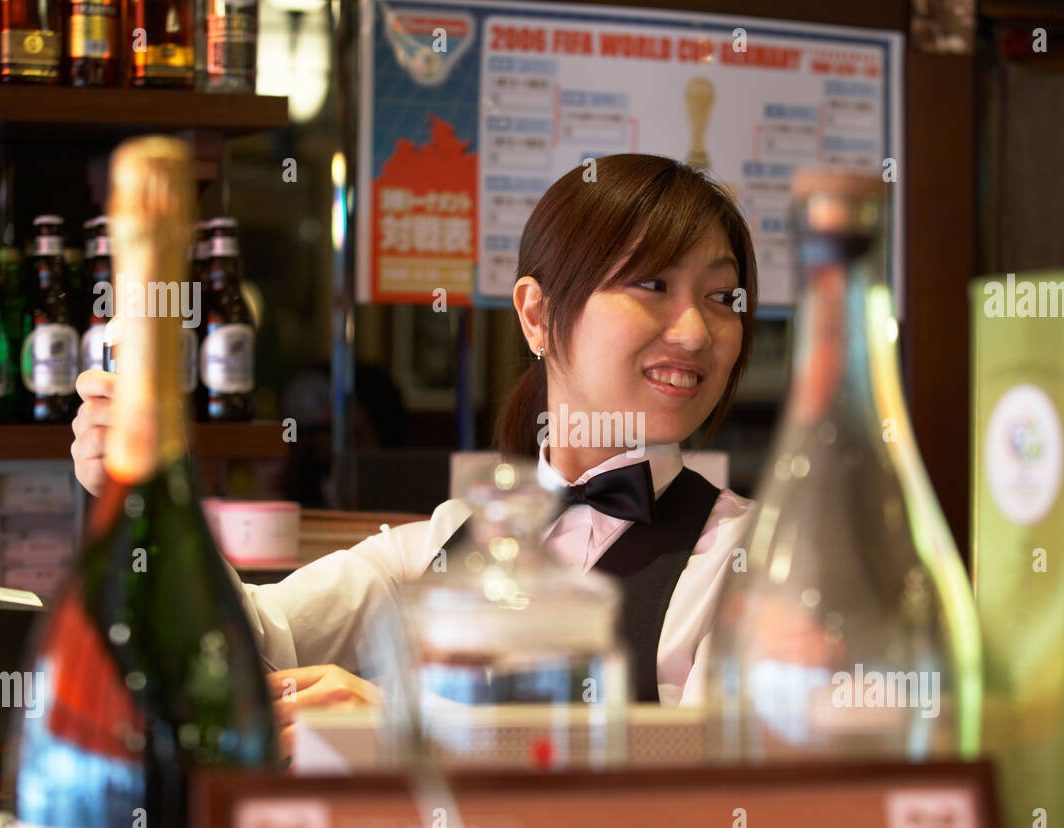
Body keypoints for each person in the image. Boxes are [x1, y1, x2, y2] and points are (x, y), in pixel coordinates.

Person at [70, 154, 759, 756]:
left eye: (721, 295)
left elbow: (721, 775)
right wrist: (147, 495)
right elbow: (253, 640)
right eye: (652, 284)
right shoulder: (444, 539)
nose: (697, 332)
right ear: (537, 315)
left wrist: (413, 726)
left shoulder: (755, 556)